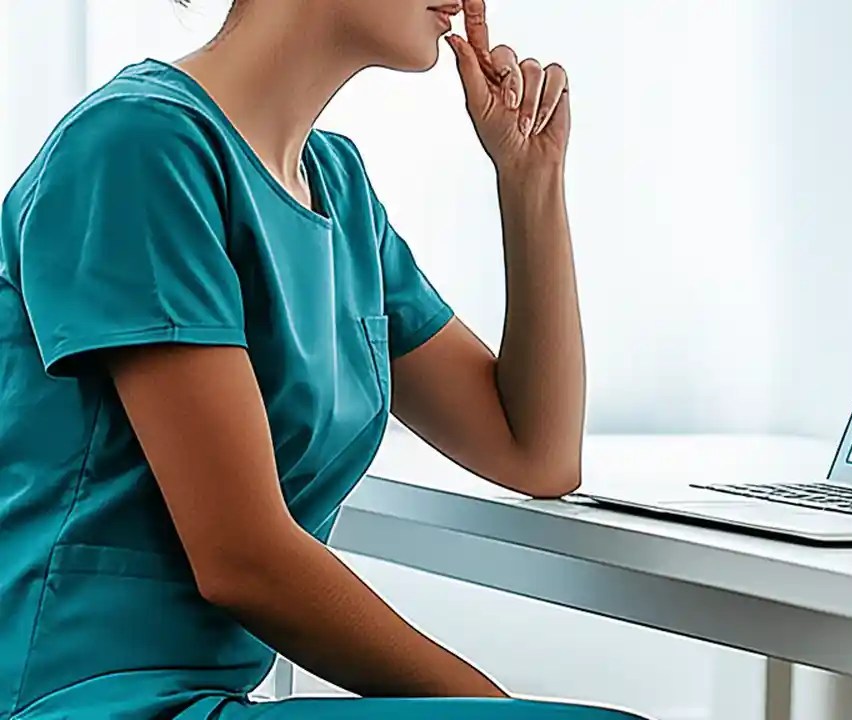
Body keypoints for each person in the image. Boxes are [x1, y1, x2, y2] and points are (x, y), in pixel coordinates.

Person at [0, 0, 641, 717]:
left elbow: (535, 453)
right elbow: (243, 559)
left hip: (210, 699)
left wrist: (530, 178)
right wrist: (499, 711)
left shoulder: (339, 189)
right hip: (79, 702)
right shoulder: (136, 148)